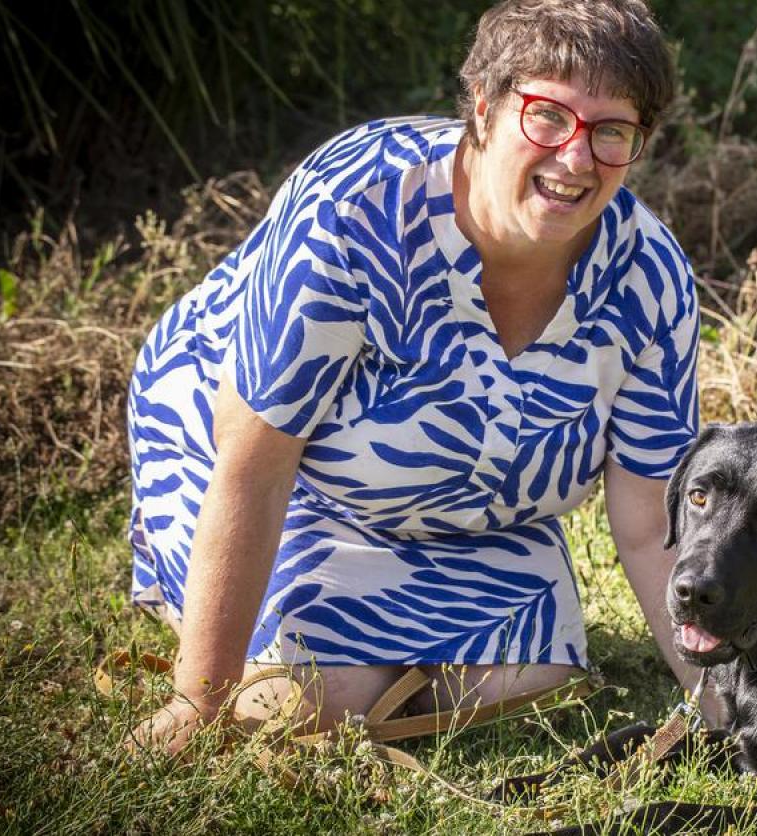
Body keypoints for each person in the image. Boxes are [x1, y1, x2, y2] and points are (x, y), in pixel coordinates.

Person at [125, 0, 705, 753]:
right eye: (548, 118)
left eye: (611, 132)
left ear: (641, 142)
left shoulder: (650, 275)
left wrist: (723, 703)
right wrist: (196, 704)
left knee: (531, 680)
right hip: (265, 463)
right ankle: (257, 623)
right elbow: (255, 467)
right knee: (297, 703)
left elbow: (651, 522)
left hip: (471, 512)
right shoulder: (357, 212)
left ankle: (371, 636)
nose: (576, 158)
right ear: (484, 108)